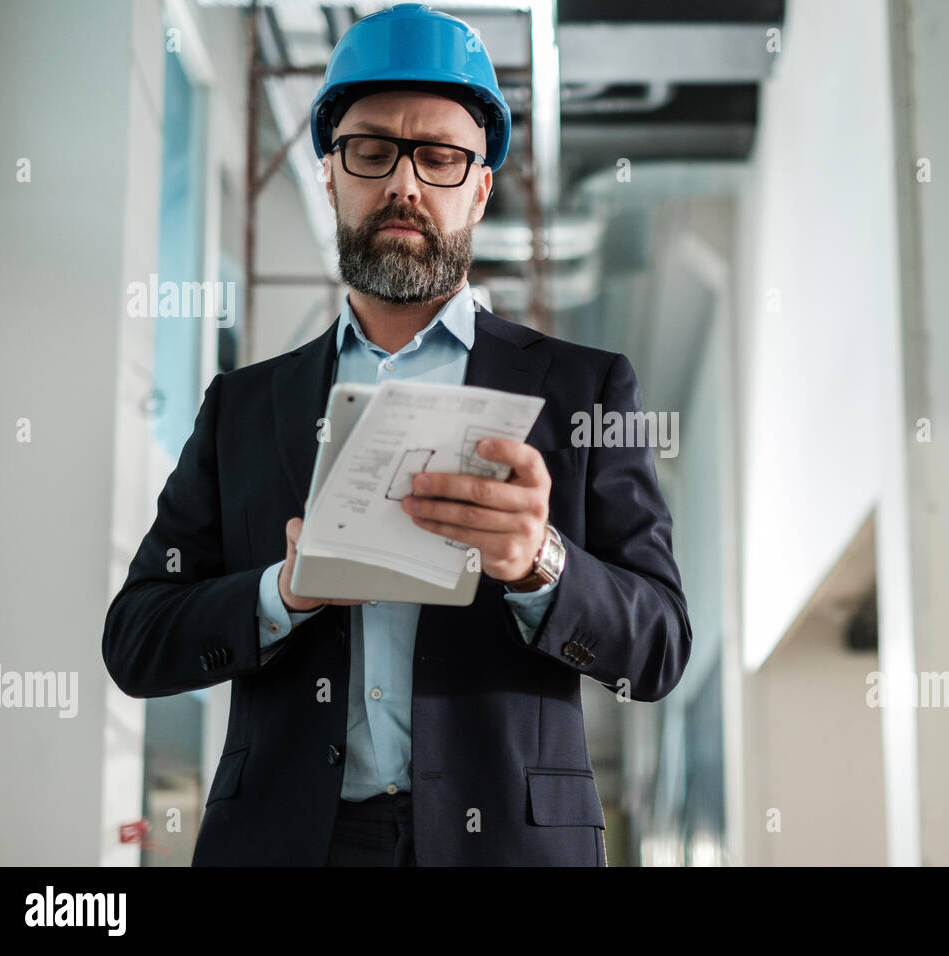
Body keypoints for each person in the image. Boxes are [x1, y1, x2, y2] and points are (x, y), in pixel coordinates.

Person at [101, 2, 691, 867]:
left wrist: (542, 564)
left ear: (480, 188)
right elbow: (137, 639)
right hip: (287, 844)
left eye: (440, 157)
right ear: (332, 175)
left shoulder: (583, 389)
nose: (405, 185)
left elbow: (661, 647)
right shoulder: (244, 408)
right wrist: (281, 593)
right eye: (372, 152)